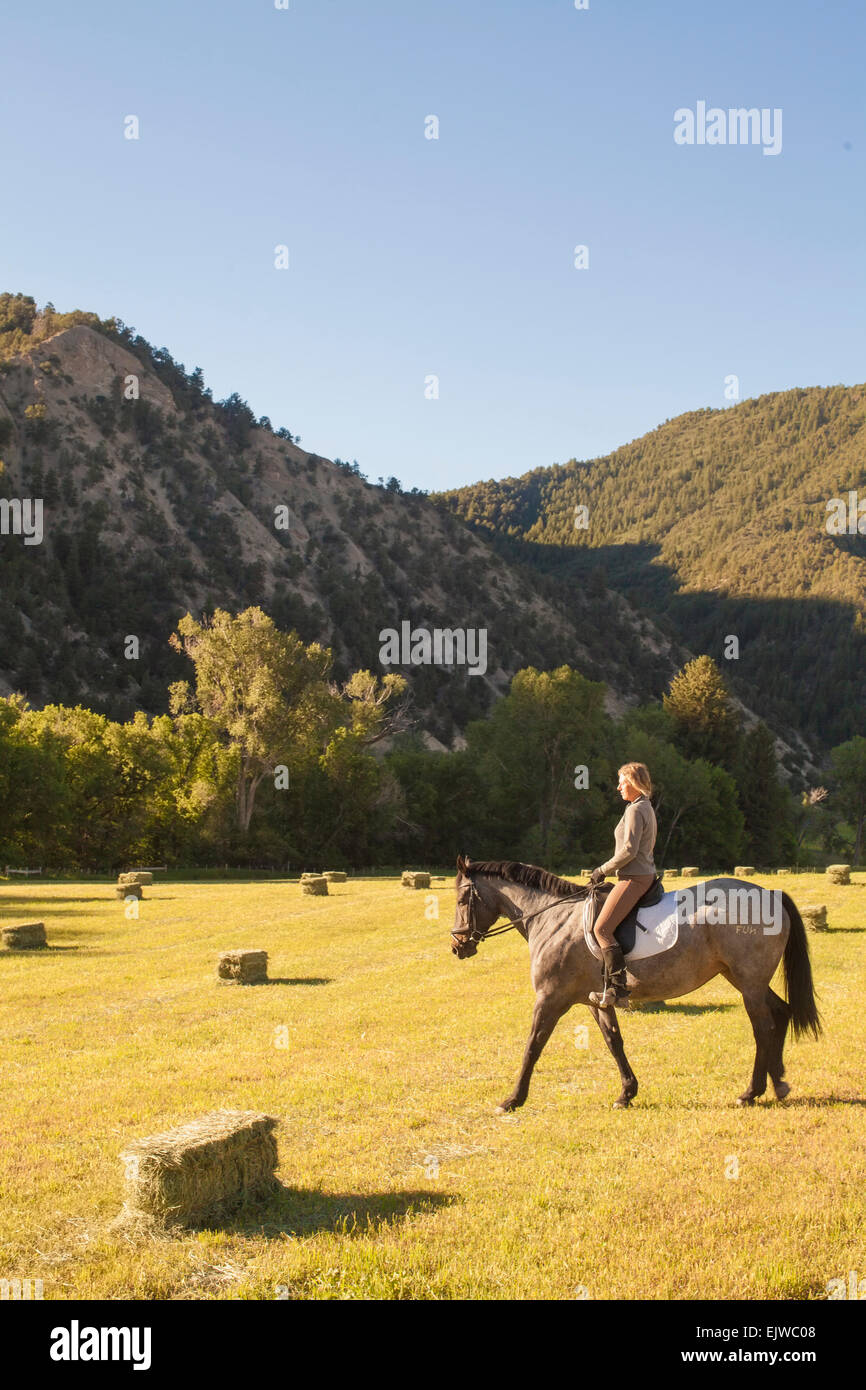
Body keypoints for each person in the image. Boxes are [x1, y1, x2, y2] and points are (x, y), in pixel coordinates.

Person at [587, 762, 657, 1010]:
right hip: (640, 875)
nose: (618, 787)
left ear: (635, 783)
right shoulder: (642, 806)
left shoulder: (635, 810)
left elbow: (629, 850)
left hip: (634, 878)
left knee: (602, 929)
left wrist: (602, 870)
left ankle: (618, 990)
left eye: (622, 782)